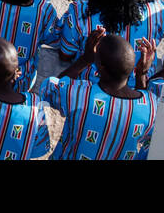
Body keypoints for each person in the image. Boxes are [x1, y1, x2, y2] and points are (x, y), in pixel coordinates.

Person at [42, 32, 157, 161]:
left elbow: (49, 89)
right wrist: (141, 74)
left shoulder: (79, 94)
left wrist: (85, 59)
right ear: (132, 68)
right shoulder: (151, 106)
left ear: (100, 66)